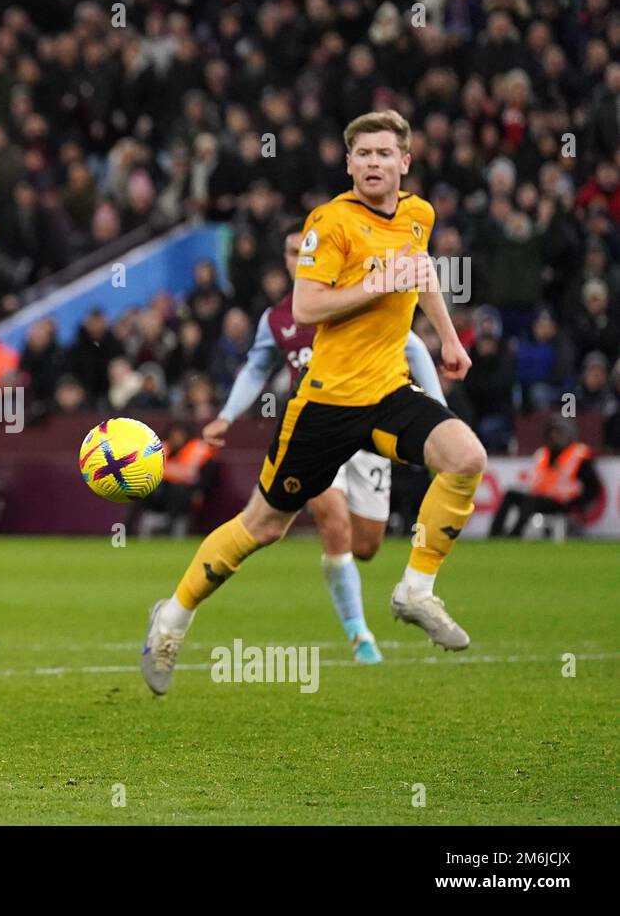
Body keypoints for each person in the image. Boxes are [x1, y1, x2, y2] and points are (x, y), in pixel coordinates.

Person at [142, 110, 487, 695]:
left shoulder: (418, 214)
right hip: (326, 406)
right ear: (349, 164)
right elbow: (305, 308)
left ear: (405, 163)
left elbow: (421, 267)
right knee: (263, 526)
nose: (374, 163)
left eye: (385, 153)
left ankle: (415, 592)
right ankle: (172, 618)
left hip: (387, 391)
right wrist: (374, 286)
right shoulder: (329, 224)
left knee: (466, 458)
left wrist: (448, 338)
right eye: (363, 154)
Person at [203, 223, 447, 663]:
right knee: (332, 520)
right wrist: (226, 415)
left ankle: (348, 583)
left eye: (305, 250)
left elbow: (412, 348)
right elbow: (257, 368)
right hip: (315, 430)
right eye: (292, 251)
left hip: (370, 425)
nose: (300, 258)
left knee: (367, 544)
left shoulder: (354, 300)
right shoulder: (278, 318)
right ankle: (361, 637)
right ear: (285, 260)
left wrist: (440, 411)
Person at [488, 416, 600, 537]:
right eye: (553, 432)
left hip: (562, 502)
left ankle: (515, 534)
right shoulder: (543, 453)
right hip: (541, 496)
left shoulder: (578, 456)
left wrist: (578, 504)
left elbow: (593, 487)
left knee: (531, 501)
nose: (555, 436)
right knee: (510, 494)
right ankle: (494, 534)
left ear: (569, 434)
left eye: (559, 432)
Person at [129, 421, 218, 537]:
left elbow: (206, 477)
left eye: (180, 435)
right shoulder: (160, 449)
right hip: (162, 494)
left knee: (177, 489)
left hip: (185, 495)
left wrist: (199, 491)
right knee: (141, 489)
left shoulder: (198, 449)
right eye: (174, 435)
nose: (177, 438)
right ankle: (127, 529)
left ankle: (171, 526)